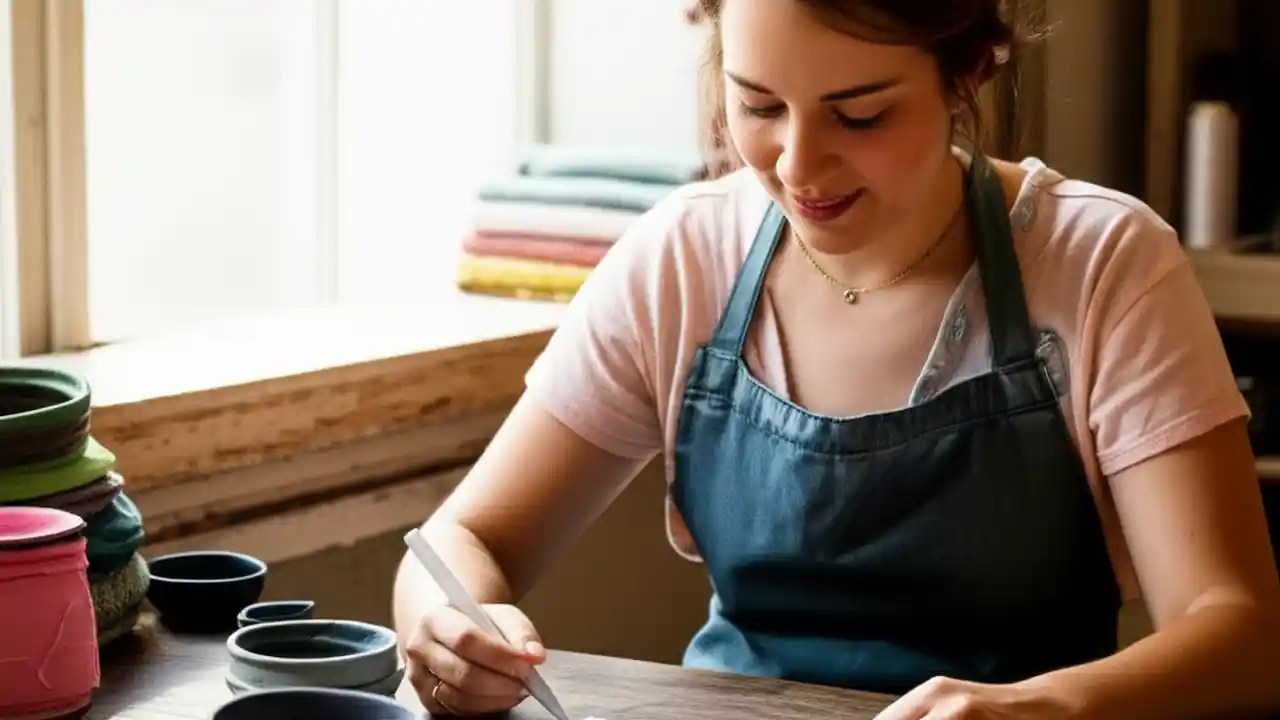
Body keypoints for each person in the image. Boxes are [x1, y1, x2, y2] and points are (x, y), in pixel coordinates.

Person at [393, 1, 1280, 717]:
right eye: (759, 105)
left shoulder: (1101, 264)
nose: (799, 164)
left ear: (967, 71)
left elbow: (1240, 637)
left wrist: (1035, 709)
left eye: (861, 113)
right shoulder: (684, 257)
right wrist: (445, 629)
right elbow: (459, 540)